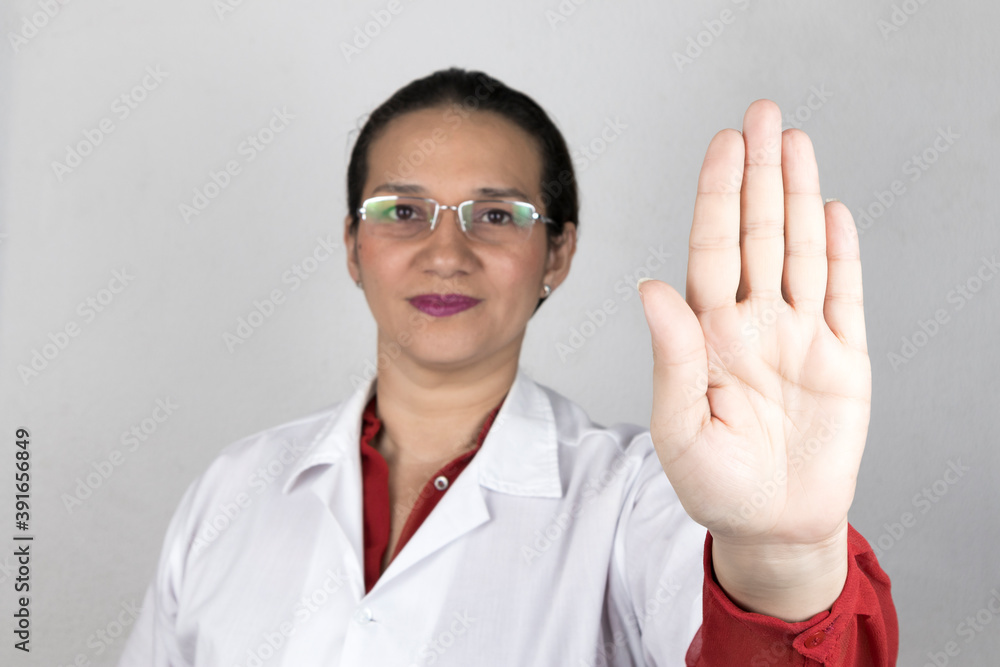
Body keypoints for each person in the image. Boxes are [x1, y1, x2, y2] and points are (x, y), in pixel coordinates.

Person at [118, 68, 898, 666]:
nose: (446, 252)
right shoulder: (230, 490)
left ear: (557, 251)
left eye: (496, 214)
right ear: (353, 247)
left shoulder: (633, 499)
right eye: (401, 211)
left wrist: (780, 554)